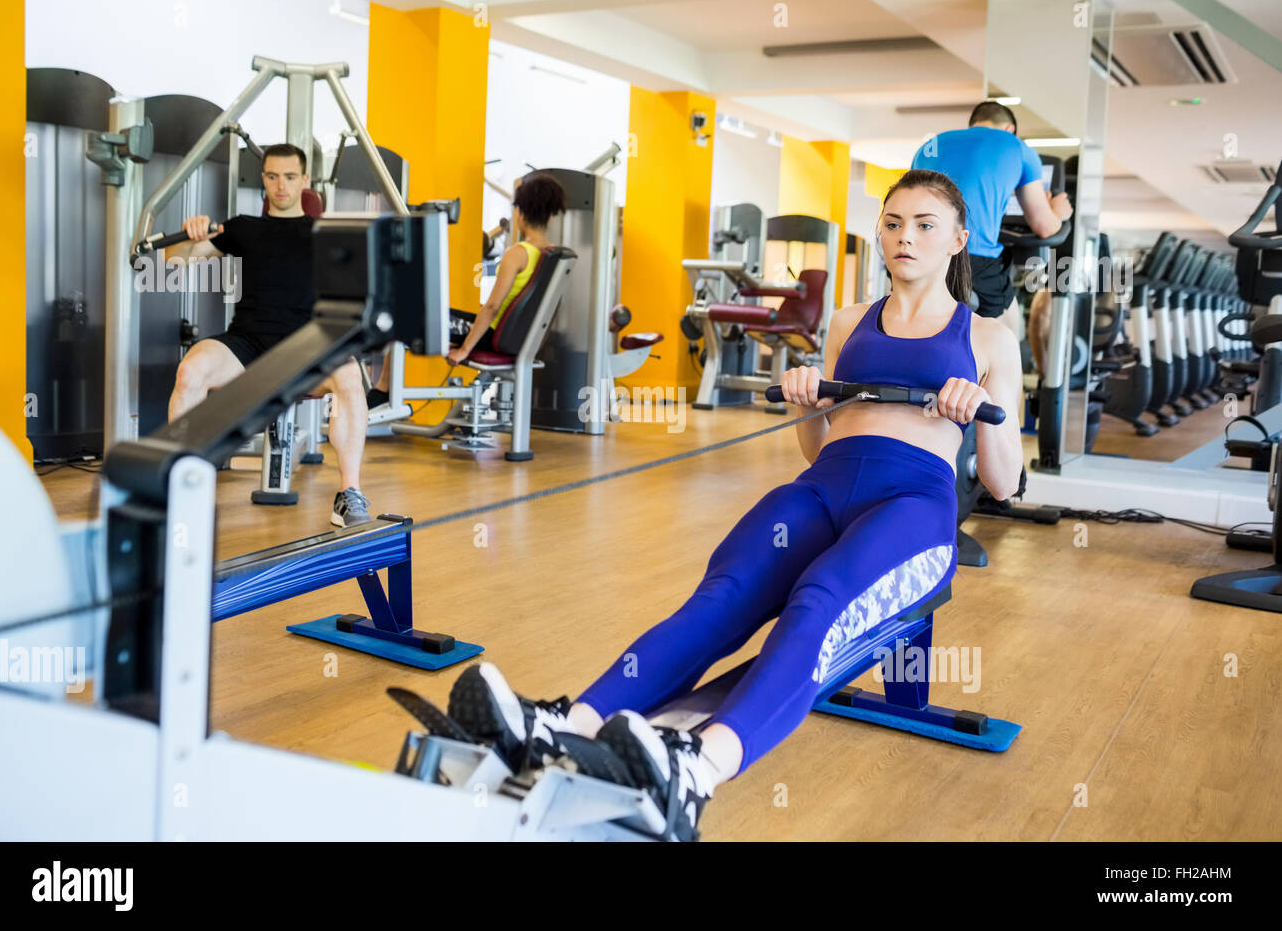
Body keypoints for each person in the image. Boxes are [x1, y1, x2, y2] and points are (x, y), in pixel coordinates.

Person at [425, 169, 1025, 841]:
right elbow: (814, 446)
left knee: (819, 602)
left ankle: (699, 766)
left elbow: (1005, 483)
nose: (904, 237)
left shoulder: (990, 338)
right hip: (823, 487)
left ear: (958, 239)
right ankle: (569, 723)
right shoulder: (850, 321)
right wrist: (806, 404)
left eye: (923, 225)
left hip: (913, 507)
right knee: (722, 597)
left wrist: (981, 414)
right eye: (892, 223)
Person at [163, 144, 372, 528]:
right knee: (191, 371)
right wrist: (191, 235)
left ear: (305, 181)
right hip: (248, 342)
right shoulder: (242, 227)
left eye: (290, 177)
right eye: (273, 176)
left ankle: (350, 494)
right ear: (263, 179)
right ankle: (184, 491)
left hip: (307, 346)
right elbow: (172, 261)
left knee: (349, 374)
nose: (281, 185)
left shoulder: (325, 233)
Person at [364, 173, 566, 406]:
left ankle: (384, 389)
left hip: (494, 334)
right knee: (421, 312)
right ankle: (386, 388)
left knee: (403, 314)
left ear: (520, 213)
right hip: (515, 334)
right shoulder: (553, 254)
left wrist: (465, 349)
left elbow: (492, 306)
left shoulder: (518, 254)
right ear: (550, 217)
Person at [911, 101, 1073, 336]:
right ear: (1010, 129)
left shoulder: (930, 144)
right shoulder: (1017, 147)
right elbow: (1044, 226)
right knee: (1008, 333)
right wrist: (1059, 210)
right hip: (973, 261)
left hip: (920, 258)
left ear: (972, 126)